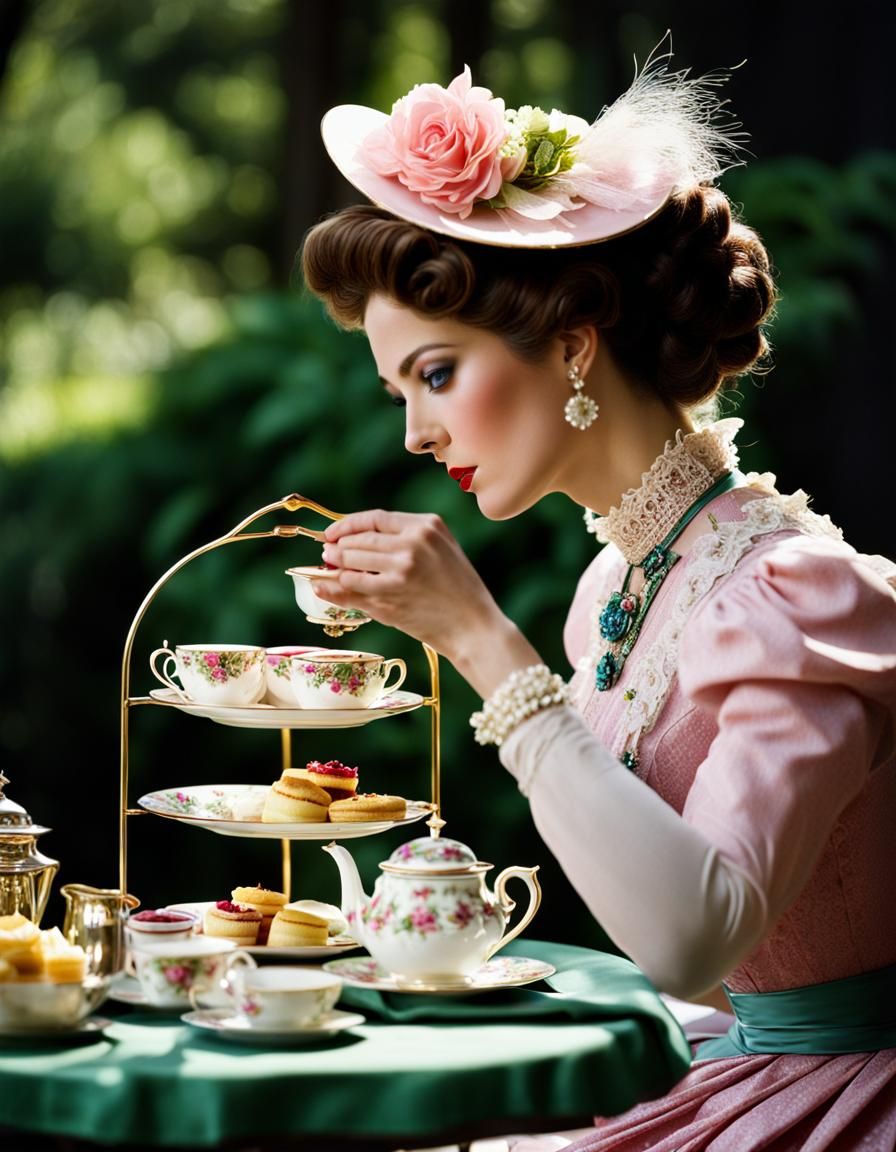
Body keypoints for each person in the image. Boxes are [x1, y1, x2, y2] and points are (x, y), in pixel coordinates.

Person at [299, 44, 896, 1152]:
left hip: (840, 1103)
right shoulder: (614, 587)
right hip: (718, 1064)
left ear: (571, 348)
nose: (413, 433)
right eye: (398, 390)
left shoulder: (788, 591)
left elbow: (691, 940)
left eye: (434, 374)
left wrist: (480, 641)